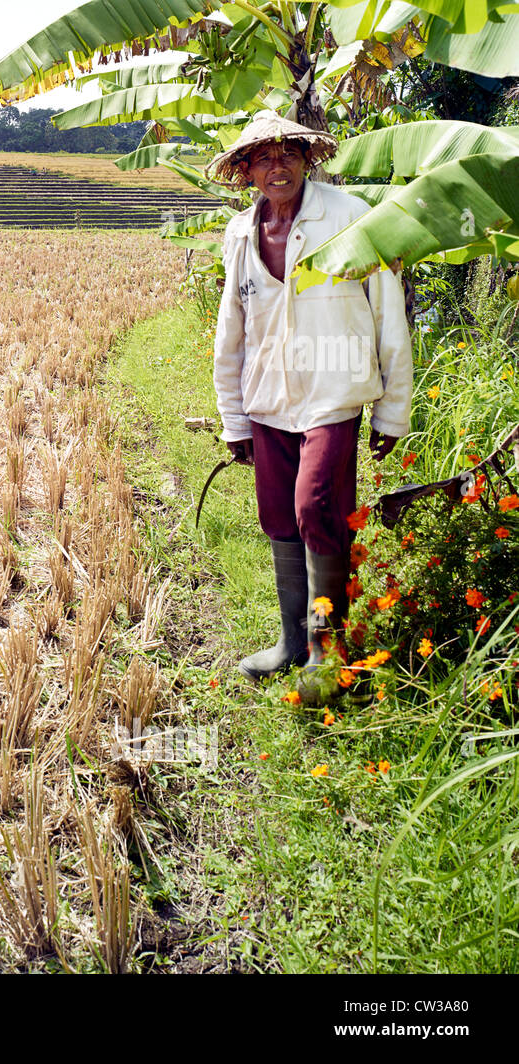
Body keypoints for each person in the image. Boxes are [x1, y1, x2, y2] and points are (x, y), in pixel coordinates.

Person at [209, 111, 413, 695]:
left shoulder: (349, 216)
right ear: (246, 171)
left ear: (307, 159)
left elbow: (387, 316)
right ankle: (292, 643)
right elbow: (233, 331)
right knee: (278, 519)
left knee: (315, 510)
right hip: (268, 400)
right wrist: (234, 416)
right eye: (264, 158)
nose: (279, 167)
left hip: (333, 395)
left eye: (289, 154)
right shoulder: (240, 234)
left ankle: (329, 650)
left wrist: (391, 409)